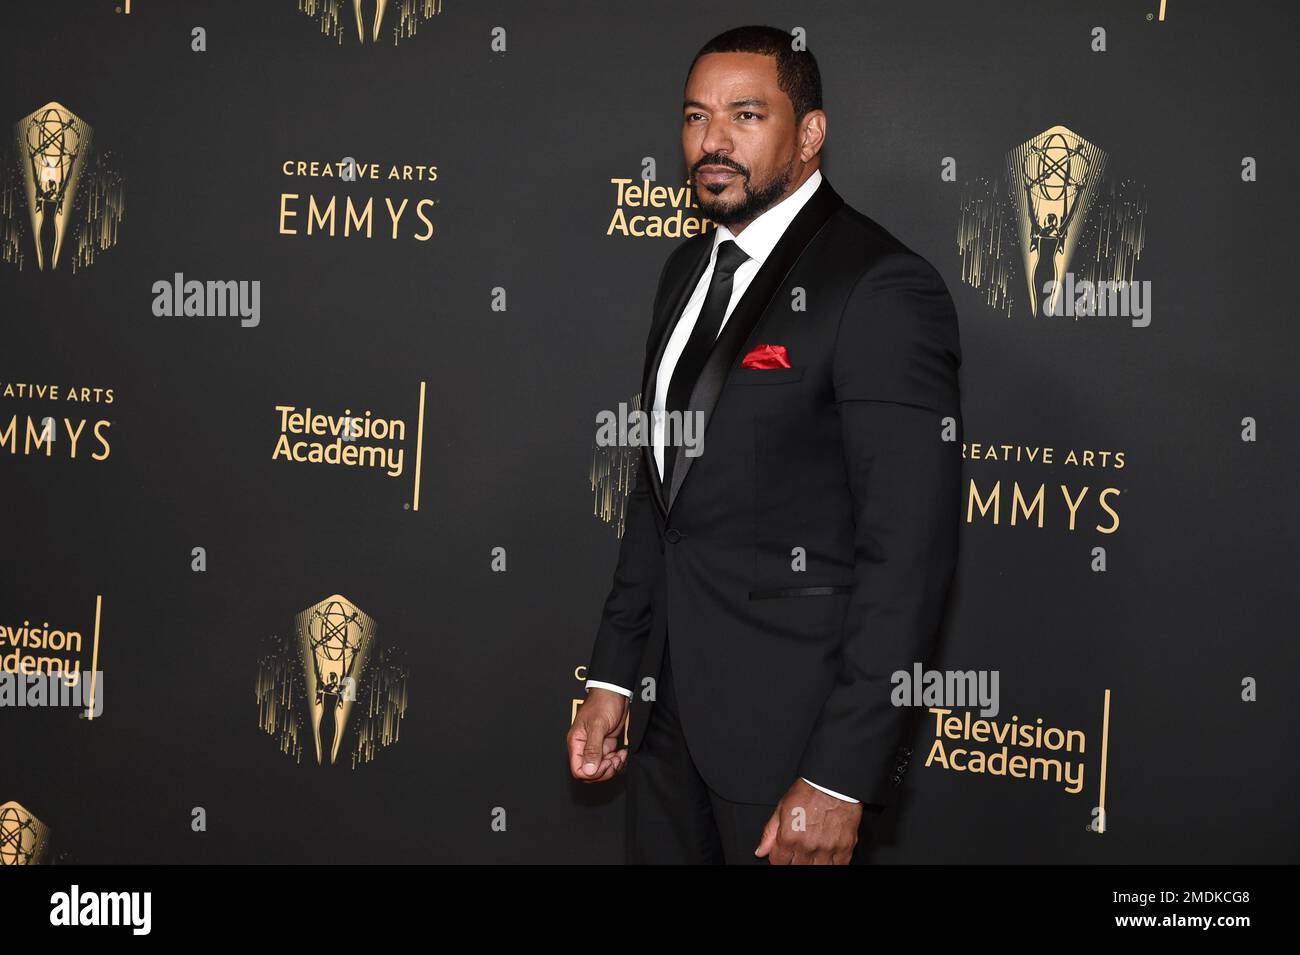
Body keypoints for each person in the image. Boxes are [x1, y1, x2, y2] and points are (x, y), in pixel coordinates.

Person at [567, 25, 962, 865]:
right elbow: (659, 493)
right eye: (695, 116)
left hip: (795, 736)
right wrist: (610, 673)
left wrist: (841, 775)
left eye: (745, 114)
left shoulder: (879, 285)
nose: (712, 141)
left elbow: (910, 554)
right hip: (667, 717)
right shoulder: (685, 272)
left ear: (809, 133)